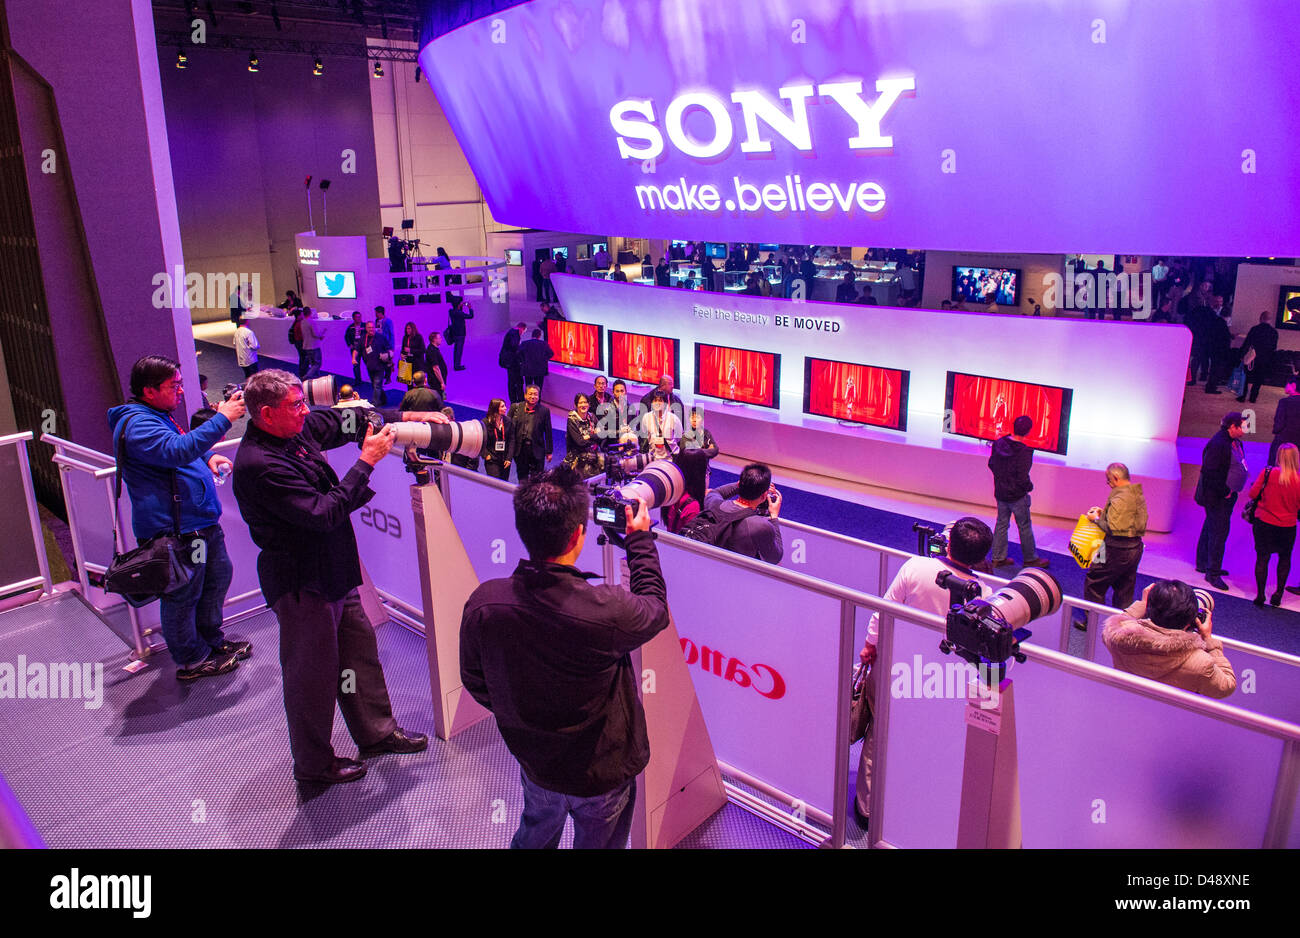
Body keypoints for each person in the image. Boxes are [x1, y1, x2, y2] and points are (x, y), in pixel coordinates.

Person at [231, 369, 445, 785]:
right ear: (267, 414)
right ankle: (313, 765)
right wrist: (366, 462)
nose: (305, 410)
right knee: (311, 676)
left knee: (358, 656)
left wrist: (405, 419)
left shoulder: (294, 429)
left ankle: (377, 733)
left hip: (335, 571)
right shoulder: (260, 464)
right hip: (302, 584)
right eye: (296, 405)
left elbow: (348, 421)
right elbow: (322, 512)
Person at [460, 465, 667, 848]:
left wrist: (521, 717)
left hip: (535, 762)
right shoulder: (606, 610)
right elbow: (655, 609)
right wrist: (639, 540)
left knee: (535, 833)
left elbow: (475, 679)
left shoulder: (485, 602)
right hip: (600, 771)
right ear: (578, 534)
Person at [107, 356, 250, 680]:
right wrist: (223, 418)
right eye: (175, 386)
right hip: (177, 532)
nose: (182, 391)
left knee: (215, 580)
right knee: (183, 595)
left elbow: (182, 445)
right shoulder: (138, 423)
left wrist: (209, 455)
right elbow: (175, 452)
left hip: (198, 526)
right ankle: (191, 659)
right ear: (149, 390)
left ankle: (211, 642)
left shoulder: (157, 415)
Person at [855, 518, 993, 827]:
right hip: (944, 679)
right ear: (983, 556)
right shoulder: (983, 591)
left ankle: (866, 809)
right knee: (928, 740)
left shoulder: (915, 567)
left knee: (879, 734)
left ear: (949, 542)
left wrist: (869, 647)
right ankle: (914, 801)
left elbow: (884, 610)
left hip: (897, 667)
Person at [1101, 581, 1236, 699]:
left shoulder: (1118, 637)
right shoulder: (1201, 662)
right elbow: (1227, 686)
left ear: (1149, 610)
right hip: (1170, 720)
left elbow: (1119, 622)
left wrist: (1143, 604)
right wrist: (1208, 640)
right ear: (1189, 622)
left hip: (1126, 703)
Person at [1082, 463, 1148, 613]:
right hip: (1135, 548)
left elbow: (1114, 529)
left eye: (1108, 480)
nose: (1108, 484)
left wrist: (1095, 519)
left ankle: (1093, 621)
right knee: (1124, 587)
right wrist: (1105, 513)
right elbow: (1127, 519)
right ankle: (1121, 624)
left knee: (1095, 581)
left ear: (1116, 478)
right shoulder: (1136, 493)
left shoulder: (1120, 498)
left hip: (1115, 549)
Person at [1195, 412, 1248, 590]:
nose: (1245, 429)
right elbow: (1210, 473)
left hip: (1225, 496)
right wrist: (1225, 491)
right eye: (1242, 426)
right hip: (1218, 497)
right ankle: (1213, 573)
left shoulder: (1234, 442)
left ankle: (1203, 563)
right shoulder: (1219, 444)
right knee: (1219, 533)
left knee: (1211, 527)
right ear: (1232, 427)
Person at [988, 415, 1049, 569]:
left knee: (1001, 524)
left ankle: (997, 558)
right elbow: (1023, 477)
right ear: (1028, 432)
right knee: (1024, 526)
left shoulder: (999, 443)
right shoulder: (1025, 452)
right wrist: (1029, 487)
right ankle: (1030, 558)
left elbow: (992, 464)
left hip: (1001, 492)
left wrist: (1002, 480)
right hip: (1017, 495)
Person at [1246, 443, 1300, 606]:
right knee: (1284, 559)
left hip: (1264, 523)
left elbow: (1252, 493)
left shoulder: (1268, 473)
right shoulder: (1298, 480)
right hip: (1288, 525)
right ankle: (1278, 594)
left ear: (1279, 456)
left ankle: (1260, 595)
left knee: (1262, 558)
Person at [700, 463, 783, 563]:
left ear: (739, 485)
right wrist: (774, 516)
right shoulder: (762, 527)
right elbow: (775, 558)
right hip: (734, 573)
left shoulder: (713, 504)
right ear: (763, 496)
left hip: (704, 561)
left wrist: (746, 482)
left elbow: (715, 492)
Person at [508, 385, 552, 481]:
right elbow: (508, 428)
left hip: (537, 449)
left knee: (537, 479)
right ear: (525, 395)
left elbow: (548, 432)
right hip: (520, 449)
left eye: (535, 394)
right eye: (530, 394)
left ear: (539, 396)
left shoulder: (544, 411)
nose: (533, 397)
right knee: (522, 476)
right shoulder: (516, 408)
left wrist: (549, 451)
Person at [1238, 311, 1279, 403]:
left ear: (1261, 318)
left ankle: (1243, 396)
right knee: (1259, 378)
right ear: (1270, 319)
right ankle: (1253, 397)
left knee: (1247, 377)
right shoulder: (1274, 332)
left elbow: (1247, 343)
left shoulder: (1255, 329)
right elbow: (1274, 347)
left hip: (1253, 357)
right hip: (1265, 358)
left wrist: (1242, 354)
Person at [564, 393, 602, 478]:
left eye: (585, 402)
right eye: (580, 403)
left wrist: (589, 436)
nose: (583, 405)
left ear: (589, 404)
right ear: (576, 405)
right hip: (576, 459)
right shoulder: (572, 420)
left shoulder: (592, 417)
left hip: (593, 456)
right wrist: (595, 435)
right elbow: (579, 442)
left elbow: (602, 435)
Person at [638, 390, 681, 461]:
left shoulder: (673, 418)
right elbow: (646, 434)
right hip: (653, 459)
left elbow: (678, 437)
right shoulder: (646, 417)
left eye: (660, 400)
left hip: (670, 459)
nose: (657, 403)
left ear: (665, 403)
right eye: (655, 400)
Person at [1202, 299, 1233, 394]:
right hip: (1219, 351)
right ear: (1228, 316)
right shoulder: (1223, 324)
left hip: (1213, 349)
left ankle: (1210, 386)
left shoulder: (1216, 322)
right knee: (1216, 370)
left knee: (1213, 369)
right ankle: (1211, 387)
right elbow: (1225, 338)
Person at [359, 320, 392, 406]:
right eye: (369, 327)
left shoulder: (381, 337)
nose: (371, 329)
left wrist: (387, 357)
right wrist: (354, 358)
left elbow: (389, 349)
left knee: (377, 384)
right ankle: (383, 399)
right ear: (366, 328)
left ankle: (374, 403)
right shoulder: (363, 339)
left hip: (380, 365)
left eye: (373, 327)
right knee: (375, 385)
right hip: (370, 365)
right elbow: (357, 349)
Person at [481, 398, 513, 480]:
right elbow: (481, 441)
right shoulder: (485, 423)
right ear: (495, 408)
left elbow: (512, 440)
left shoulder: (508, 421)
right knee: (494, 483)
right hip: (492, 459)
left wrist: (509, 458)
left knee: (503, 483)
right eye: (502, 406)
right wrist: (486, 455)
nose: (505, 408)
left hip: (504, 459)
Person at [1270, 380, 1300, 465]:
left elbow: (1279, 420)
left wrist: (1276, 431)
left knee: (1275, 461)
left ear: (1293, 385)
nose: (1285, 386)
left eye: (1287, 384)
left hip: (1284, 437)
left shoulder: (1284, 402)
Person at [517, 327, 554, 393]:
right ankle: (537, 402)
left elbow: (518, 354)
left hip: (527, 370)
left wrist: (523, 361)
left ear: (532, 335)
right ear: (539, 336)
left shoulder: (525, 343)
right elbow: (551, 354)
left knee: (528, 388)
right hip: (540, 370)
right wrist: (543, 360)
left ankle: (528, 402)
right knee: (538, 389)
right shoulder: (543, 344)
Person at [498, 322, 526, 403]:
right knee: (515, 381)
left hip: (510, 361)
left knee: (512, 381)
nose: (522, 333)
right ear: (522, 328)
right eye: (523, 331)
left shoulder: (510, 332)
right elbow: (514, 346)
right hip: (512, 362)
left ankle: (514, 399)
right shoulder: (515, 334)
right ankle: (517, 399)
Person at [447, 296, 474, 371]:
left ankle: (456, 364)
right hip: (460, 333)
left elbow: (457, 311)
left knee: (456, 349)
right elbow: (471, 316)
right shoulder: (459, 313)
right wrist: (470, 308)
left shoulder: (451, 311)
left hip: (454, 333)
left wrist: (460, 306)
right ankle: (457, 365)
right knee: (459, 350)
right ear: (458, 304)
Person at [300, 308, 326, 380]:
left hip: (306, 346)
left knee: (312, 364)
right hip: (314, 346)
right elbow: (316, 334)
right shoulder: (311, 322)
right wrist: (322, 332)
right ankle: (306, 377)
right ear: (310, 313)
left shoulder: (302, 322)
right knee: (317, 364)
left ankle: (317, 378)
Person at [399, 321, 427, 386]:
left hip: (417, 363)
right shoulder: (405, 337)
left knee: (418, 383)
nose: (407, 330)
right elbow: (403, 349)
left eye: (409, 329)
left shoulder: (419, 337)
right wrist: (402, 354)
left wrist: (411, 350)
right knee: (408, 383)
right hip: (407, 363)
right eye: (406, 329)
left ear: (413, 329)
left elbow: (423, 350)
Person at [374, 306, 395, 385]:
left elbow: (391, 334)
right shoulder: (376, 321)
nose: (375, 314)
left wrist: (392, 346)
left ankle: (388, 377)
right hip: (378, 344)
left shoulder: (388, 321)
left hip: (386, 344)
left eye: (376, 313)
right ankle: (382, 376)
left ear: (380, 313)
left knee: (388, 361)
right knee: (380, 360)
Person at [344, 310, 365, 387]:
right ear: (353, 318)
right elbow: (346, 336)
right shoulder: (350, 327)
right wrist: (349, 344)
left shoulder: (365, 326)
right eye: (357, 317)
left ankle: (373, 378)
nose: (359, 319)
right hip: (355, 348)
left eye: (360, 317)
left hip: (364, 348)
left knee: (369, 363)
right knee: (356, 364)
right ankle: (358, 380)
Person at [288, 309, 307, 377]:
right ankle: (303, 373)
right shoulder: (300, 323)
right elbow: (302, 335)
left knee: (302, 357)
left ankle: (302, 372)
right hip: (300, 342)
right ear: (299, 316)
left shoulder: (295, 322)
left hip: (297, 342)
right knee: (304, 358)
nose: (303, 315)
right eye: (301, 314)